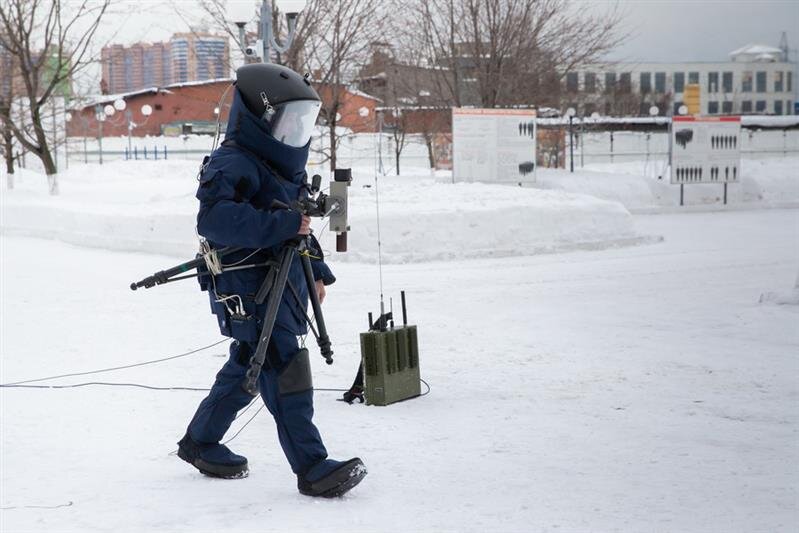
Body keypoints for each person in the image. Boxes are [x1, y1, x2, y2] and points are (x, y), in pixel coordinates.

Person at [176, 63, 366, 498]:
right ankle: (313, 467)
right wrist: (280, 225)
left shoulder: (282, 164)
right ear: (259, 117)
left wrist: (317, 271)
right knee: (284, 367)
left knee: (247, 364)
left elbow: (299, 222)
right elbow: (214, 219)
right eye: (288, 118)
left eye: (303, 120)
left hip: (285, 284)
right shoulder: (231, 162)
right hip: (249, 287)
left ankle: (201, 441)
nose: (296, 129)